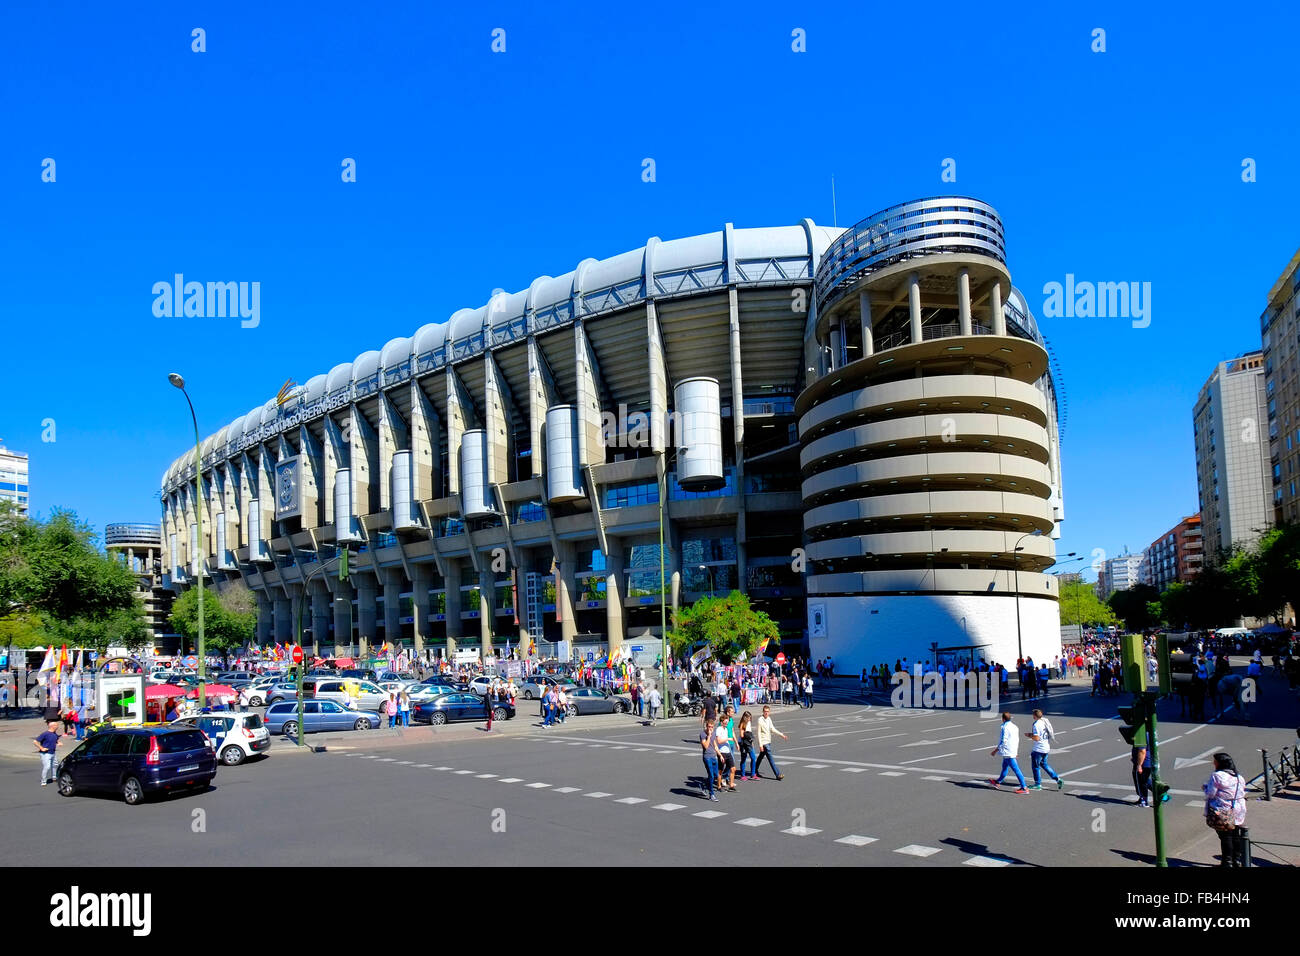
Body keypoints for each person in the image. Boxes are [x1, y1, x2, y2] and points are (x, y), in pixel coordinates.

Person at [1203, 752, 1248, 867]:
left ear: (1219, 763)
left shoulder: (1217, 776)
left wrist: (1205, 787)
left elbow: (1211, 793)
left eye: (1215, 761)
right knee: (1235, 833)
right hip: (1238, 807)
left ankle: (1227, 862)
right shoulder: (1239, 777)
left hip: (1223, 808)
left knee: (1225, 836)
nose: (1213, 763)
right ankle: (1237, 860)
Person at [987, 712, 1028, 793]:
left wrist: (995, 750)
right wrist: (1015, 751)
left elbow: (1003, 741)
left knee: (1016, 770)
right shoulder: (1015, 726)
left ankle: (1024, 788)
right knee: (1005, 767)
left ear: (1003, 719)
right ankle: (998, 782)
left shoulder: (1004, 727)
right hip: (1012, 750)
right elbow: (1017, 740)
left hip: (1007, 752)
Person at [1026, 709, 1064, 790]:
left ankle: (1037, 784)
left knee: (1035, 767)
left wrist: (1029, 735)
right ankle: (1058, 779)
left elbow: (1036, 738)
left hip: (1038, 749)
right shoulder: (1044, 721)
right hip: (1046, 747)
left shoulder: (1036, 724)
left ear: (1035, 716)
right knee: (1044, 765)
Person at [753, 705, 786, 780]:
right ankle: (778, 774)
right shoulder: (760, 720)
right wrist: (760, 745)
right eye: (765, 711)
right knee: (771, 759)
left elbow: (772, 729)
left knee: (760, 757)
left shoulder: (769, 719)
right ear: (763, 712)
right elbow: (758, 733)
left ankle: (754, 770)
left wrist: (781, 734)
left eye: (768, 711)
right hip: (764, 742)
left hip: (768, 741)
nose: (766, 713)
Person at [700, 717, 721, 801]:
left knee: (716, 775)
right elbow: (705, 746)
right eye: (709, 726)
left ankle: (704, 785)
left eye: (712, 727)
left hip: (714, 756)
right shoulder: (703, 734)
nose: (710, 728)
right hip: (707, 757)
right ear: (706, 726)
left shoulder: (714, 733)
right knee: (711, 775)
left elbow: (715, 745)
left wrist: (720, 755)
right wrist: (708, 736)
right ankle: (711, 794)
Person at [34, 720, 61, 786]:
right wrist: (41, 748)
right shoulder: (45, 734)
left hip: (53, 752)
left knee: (55, 765)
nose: (58, 726)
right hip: (45, 753)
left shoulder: (55, 733)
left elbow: (55, 739)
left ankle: (54, 777)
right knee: (47, 767)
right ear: (52, 726)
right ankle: (43, 781)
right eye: (56, 725)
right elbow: (35, 741)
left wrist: (58, 743)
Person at [718, 705, 738, 791]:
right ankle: (723, 778)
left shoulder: (731, 720)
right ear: (727, 713)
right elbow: (719, 737)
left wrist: (736, 742)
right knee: (727, 765)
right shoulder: (721, 724)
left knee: (731, 765)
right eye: (732, 712)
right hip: (725, 746)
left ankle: (726, 779)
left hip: (731, 744)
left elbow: (733, 731)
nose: (733, 713)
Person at [1131, 736, 1153, 807]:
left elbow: (1142, 751)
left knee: (1141, 782)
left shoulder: (1141, 735)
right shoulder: (1148, 733)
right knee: (1145, 781)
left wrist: (1139, 765)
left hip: (1143, 763)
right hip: (1147, 762)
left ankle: (1143, 801)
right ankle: (1160, 792)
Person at [737, 710, 756, 780]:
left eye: (750, 718)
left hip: (749, 743)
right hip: (743, 743)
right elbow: (742, 735)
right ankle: (742, 775)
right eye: (748, 718)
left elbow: (750, 733)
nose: (749, 719)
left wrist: (751, 741)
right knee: (743, 759)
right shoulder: (742, 724)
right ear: (745, 718)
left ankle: (753, 774)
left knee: (753, 758)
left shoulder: (749, 723)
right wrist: (747, 735)